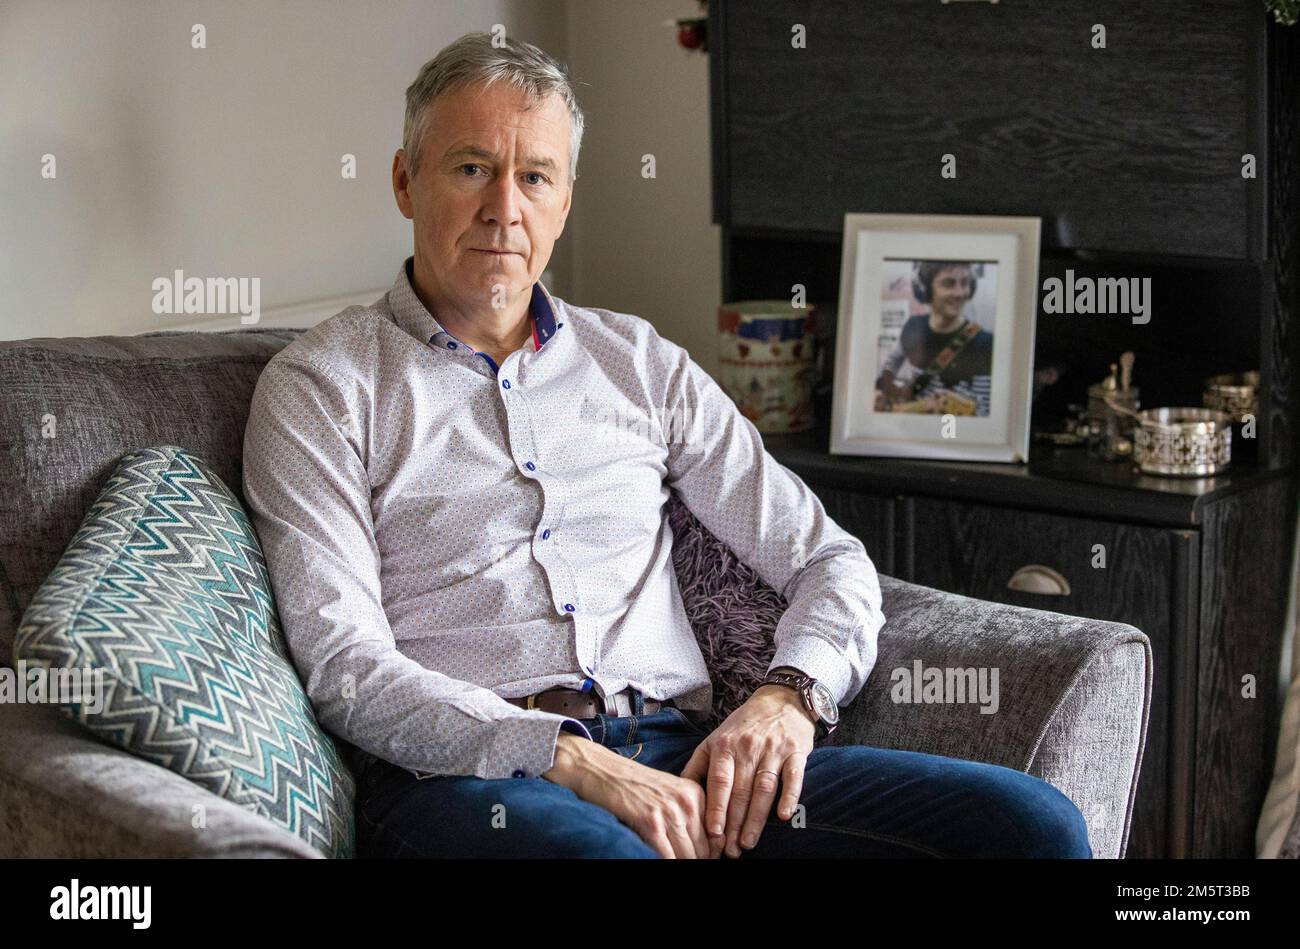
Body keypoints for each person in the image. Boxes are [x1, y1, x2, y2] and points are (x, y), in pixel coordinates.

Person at [241, 32, 1090, 859]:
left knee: (1029, 825)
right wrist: (569, 756)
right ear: (403, 181)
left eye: (535, 176)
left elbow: (826, 559)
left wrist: (787, 698)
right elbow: (345, 665)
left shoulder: (639, 364)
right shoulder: (323, 387)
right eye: (471, 168)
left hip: (688, 759)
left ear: (565, 200)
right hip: (472, 778)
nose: (505, 206)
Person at [875, 261, 994, 416]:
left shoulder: (985, 344)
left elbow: (985, 411)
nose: (959, 293)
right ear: (925, 290)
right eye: (948, 284)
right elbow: (893, 360)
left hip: (952, 430)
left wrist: (960, 408)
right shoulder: (914, 326)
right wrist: (884, 388)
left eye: (965, 283)